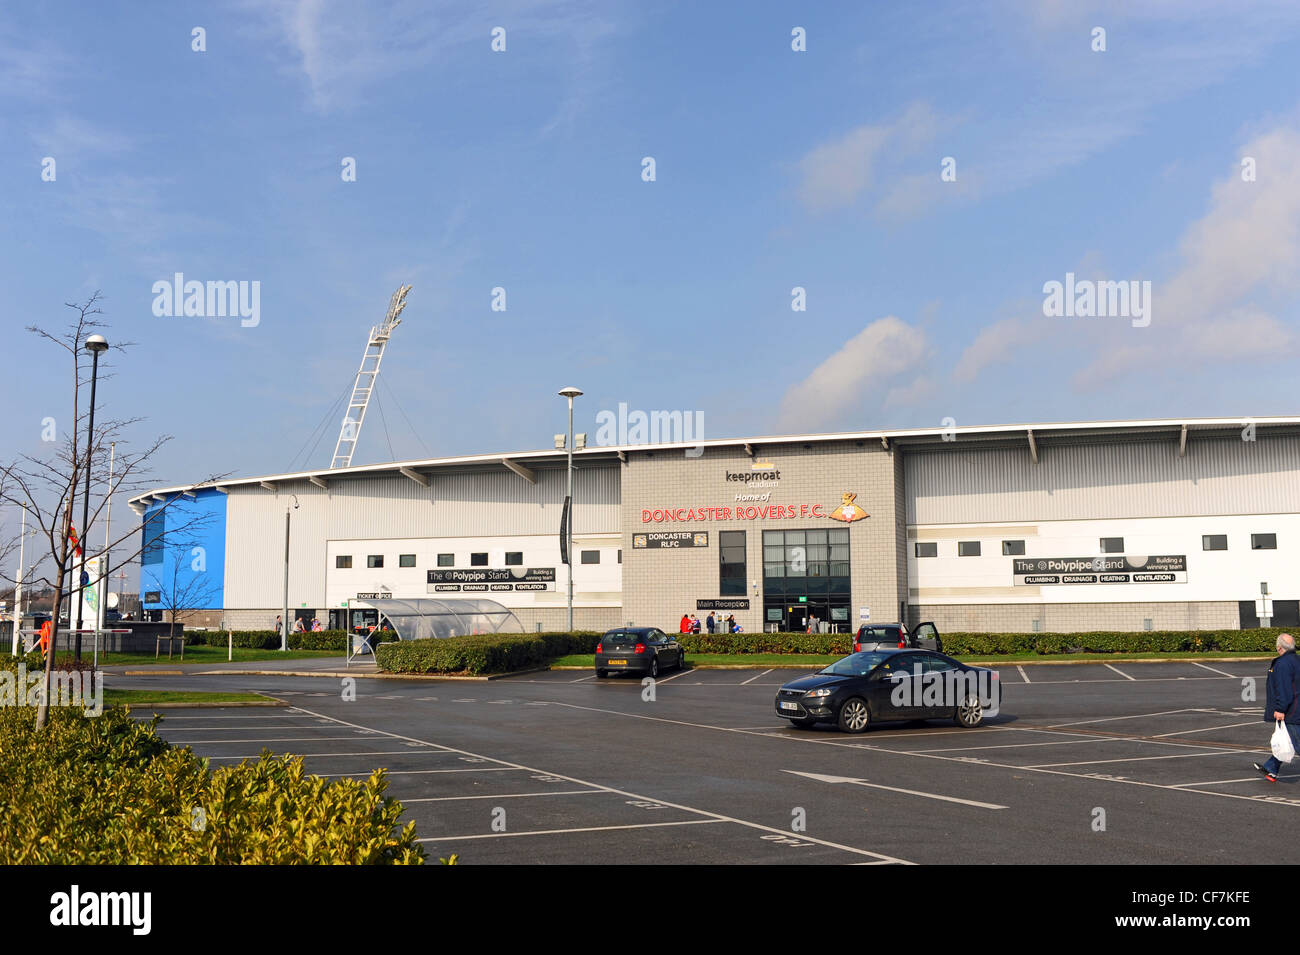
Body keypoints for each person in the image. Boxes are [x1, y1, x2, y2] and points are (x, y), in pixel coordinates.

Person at [1256, 632, 1300, 782]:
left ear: (1279, 647)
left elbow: (1283, 688)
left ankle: (1271, 768)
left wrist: (1281, 709)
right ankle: (1271, 768)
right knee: (1286, 740)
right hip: (1296, 707)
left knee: (1296, 742)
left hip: (1292, 711)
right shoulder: (1296, 660)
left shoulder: (1282, 664)